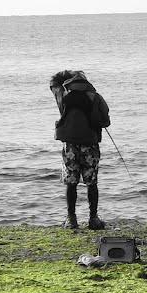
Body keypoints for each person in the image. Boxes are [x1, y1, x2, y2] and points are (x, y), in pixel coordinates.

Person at [50, 70, 110, 230]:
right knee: (92, 183)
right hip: (90, 144)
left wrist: (63, 79)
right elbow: (105, 121)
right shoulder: (95, 96)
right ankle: (93, 218)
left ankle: (71, 219)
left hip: (70, 145)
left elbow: (53, 85)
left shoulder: (64, 97)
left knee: (71, 183)